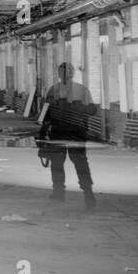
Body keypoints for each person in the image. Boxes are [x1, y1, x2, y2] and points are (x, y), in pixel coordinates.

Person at [36, 63, 96, 210]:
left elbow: (45, 115)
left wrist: (42, 134)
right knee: (79, 163)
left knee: (59, 164)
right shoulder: (81, 90)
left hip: (61, 132)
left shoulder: (54, 90)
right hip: (74, 132)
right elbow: (92, 110)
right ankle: (87, 194)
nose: (64, 75)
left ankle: (60, 193)